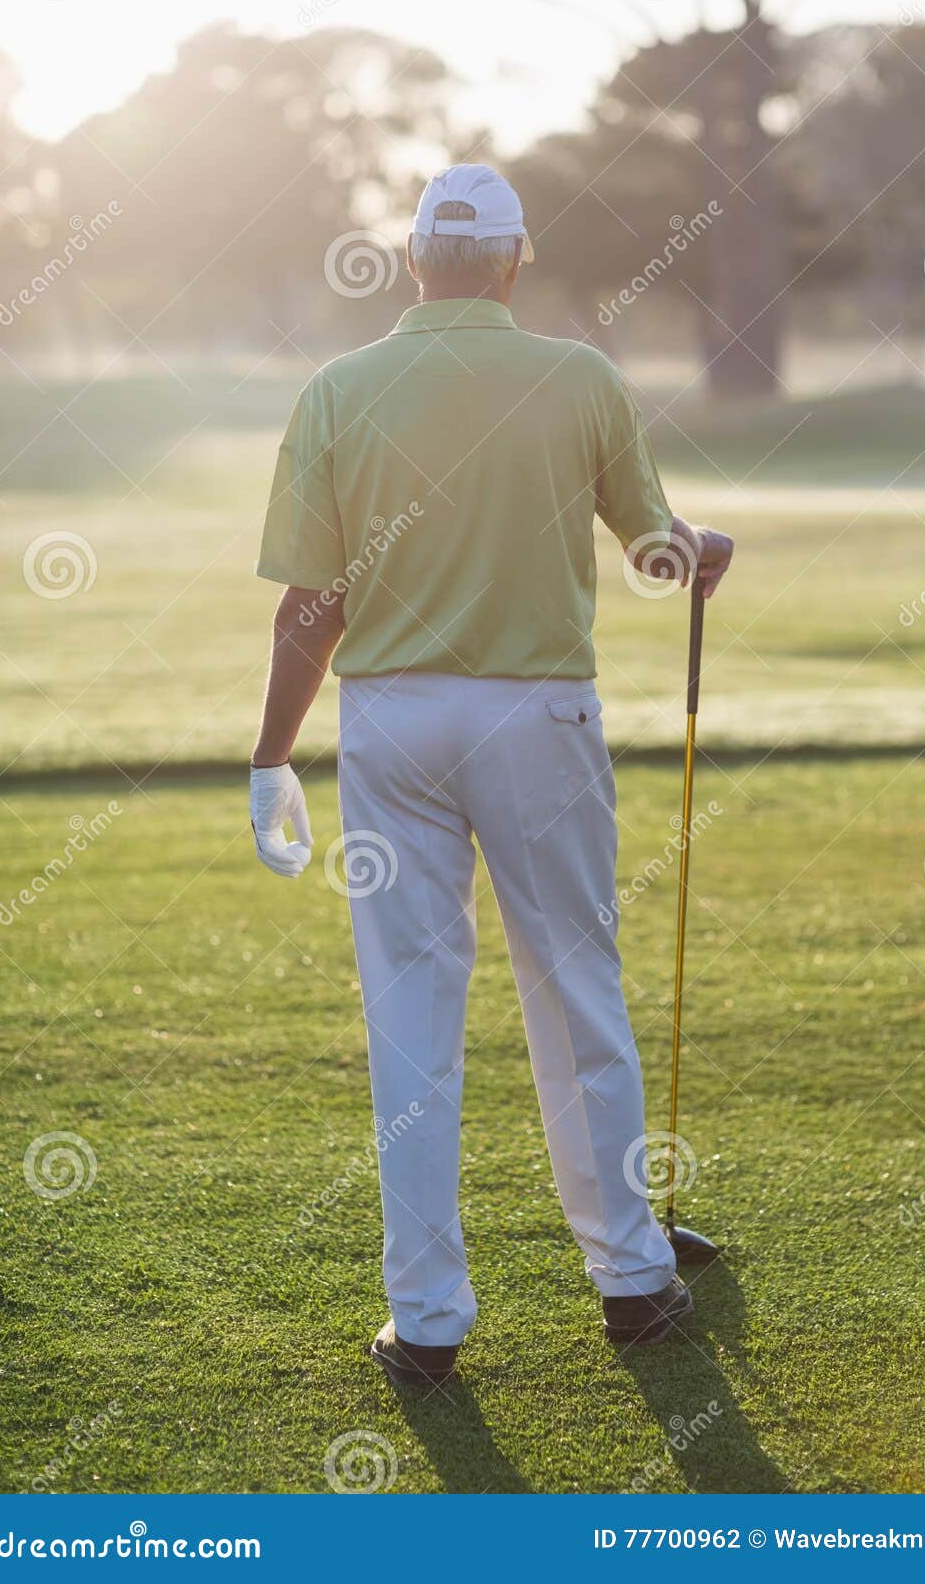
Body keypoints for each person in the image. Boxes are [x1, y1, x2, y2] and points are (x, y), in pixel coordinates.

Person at [249, 164, 733, 1387]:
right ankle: (629, 1278)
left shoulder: (338, 388)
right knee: (576, 995)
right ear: (514, 261)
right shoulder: (578, 376)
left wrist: (268, 756)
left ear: (413, 260)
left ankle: (425, 1321)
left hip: (389, 721)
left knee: (409, 1019)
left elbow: (312, 606)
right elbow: (656, 553)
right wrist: (698, 551)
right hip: (537, 722)